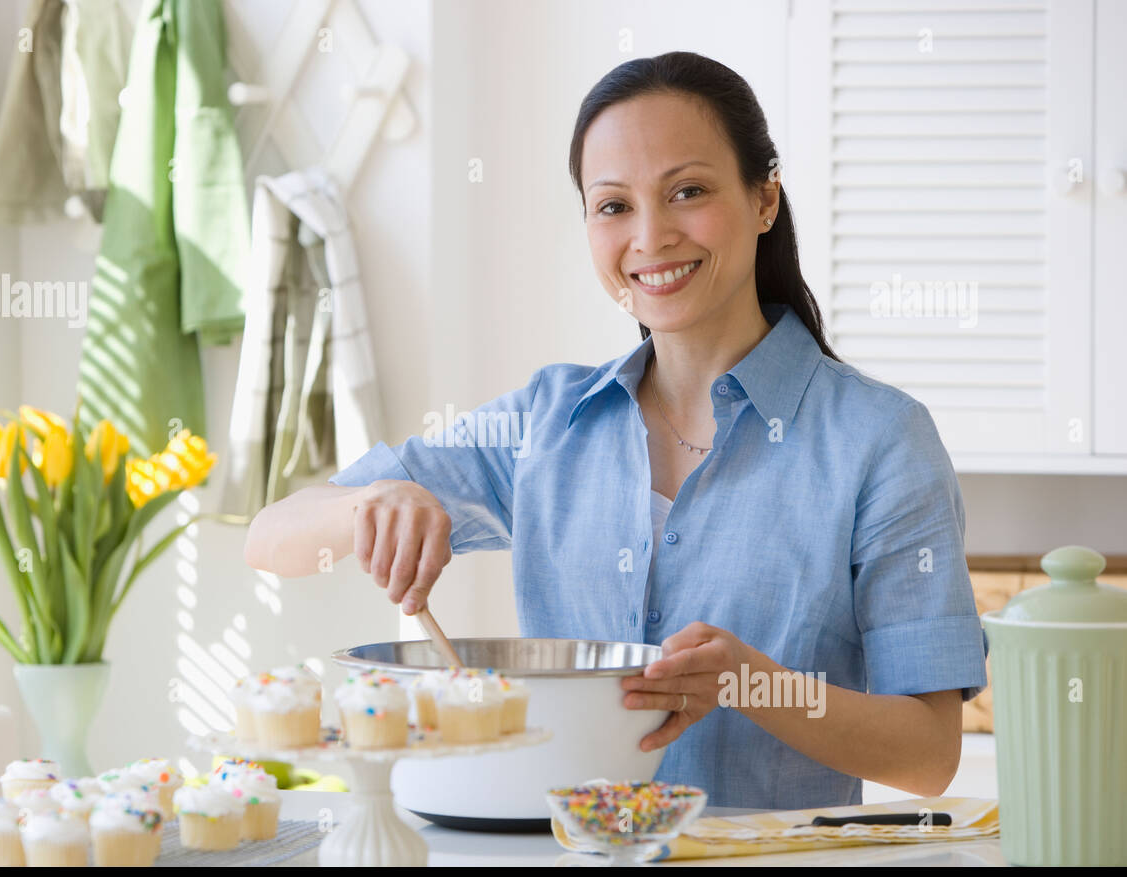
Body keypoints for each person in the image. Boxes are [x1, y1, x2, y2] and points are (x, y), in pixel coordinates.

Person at [244, 52, 988, 810]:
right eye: (613, 206)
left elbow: (928, 757)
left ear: (765, 200)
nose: (651, 236)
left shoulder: (881, 440)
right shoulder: (546, 423)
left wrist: (749, 682)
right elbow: (272, 537)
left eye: (688, 192)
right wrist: (376, 502)